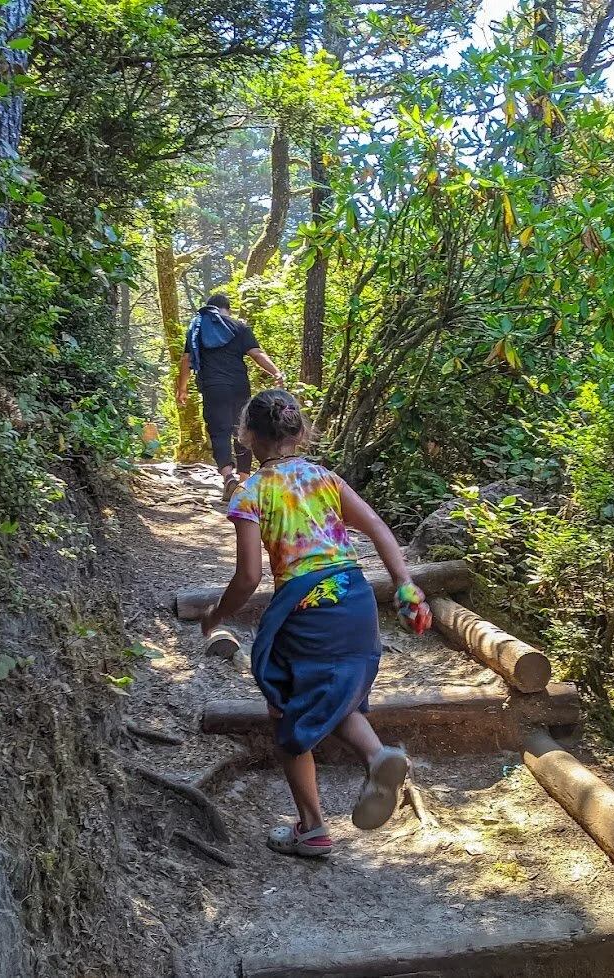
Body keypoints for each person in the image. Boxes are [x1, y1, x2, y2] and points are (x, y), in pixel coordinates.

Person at [200, 389, 432, 858]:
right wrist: (406, 586)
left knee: (285, 708)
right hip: (355, 598)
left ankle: (312, 828)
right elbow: (379, 529)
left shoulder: (250, 491)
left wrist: (216, 615)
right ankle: (376, 756)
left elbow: (248, 577)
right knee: (331, 689)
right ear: (299, 431)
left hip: (308, 608)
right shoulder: (326, 478)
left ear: (246, 435)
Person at [176, 293, 285, 501]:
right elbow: (256, 353)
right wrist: (276, 372)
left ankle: (228, 477)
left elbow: (186, 359)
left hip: (213, 387)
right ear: (228, 309)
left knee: (219, 432)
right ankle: (244, 482)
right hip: (239, 387)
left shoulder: (198, 329)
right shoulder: (239, 327)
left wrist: (182, 388)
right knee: (242, 430)